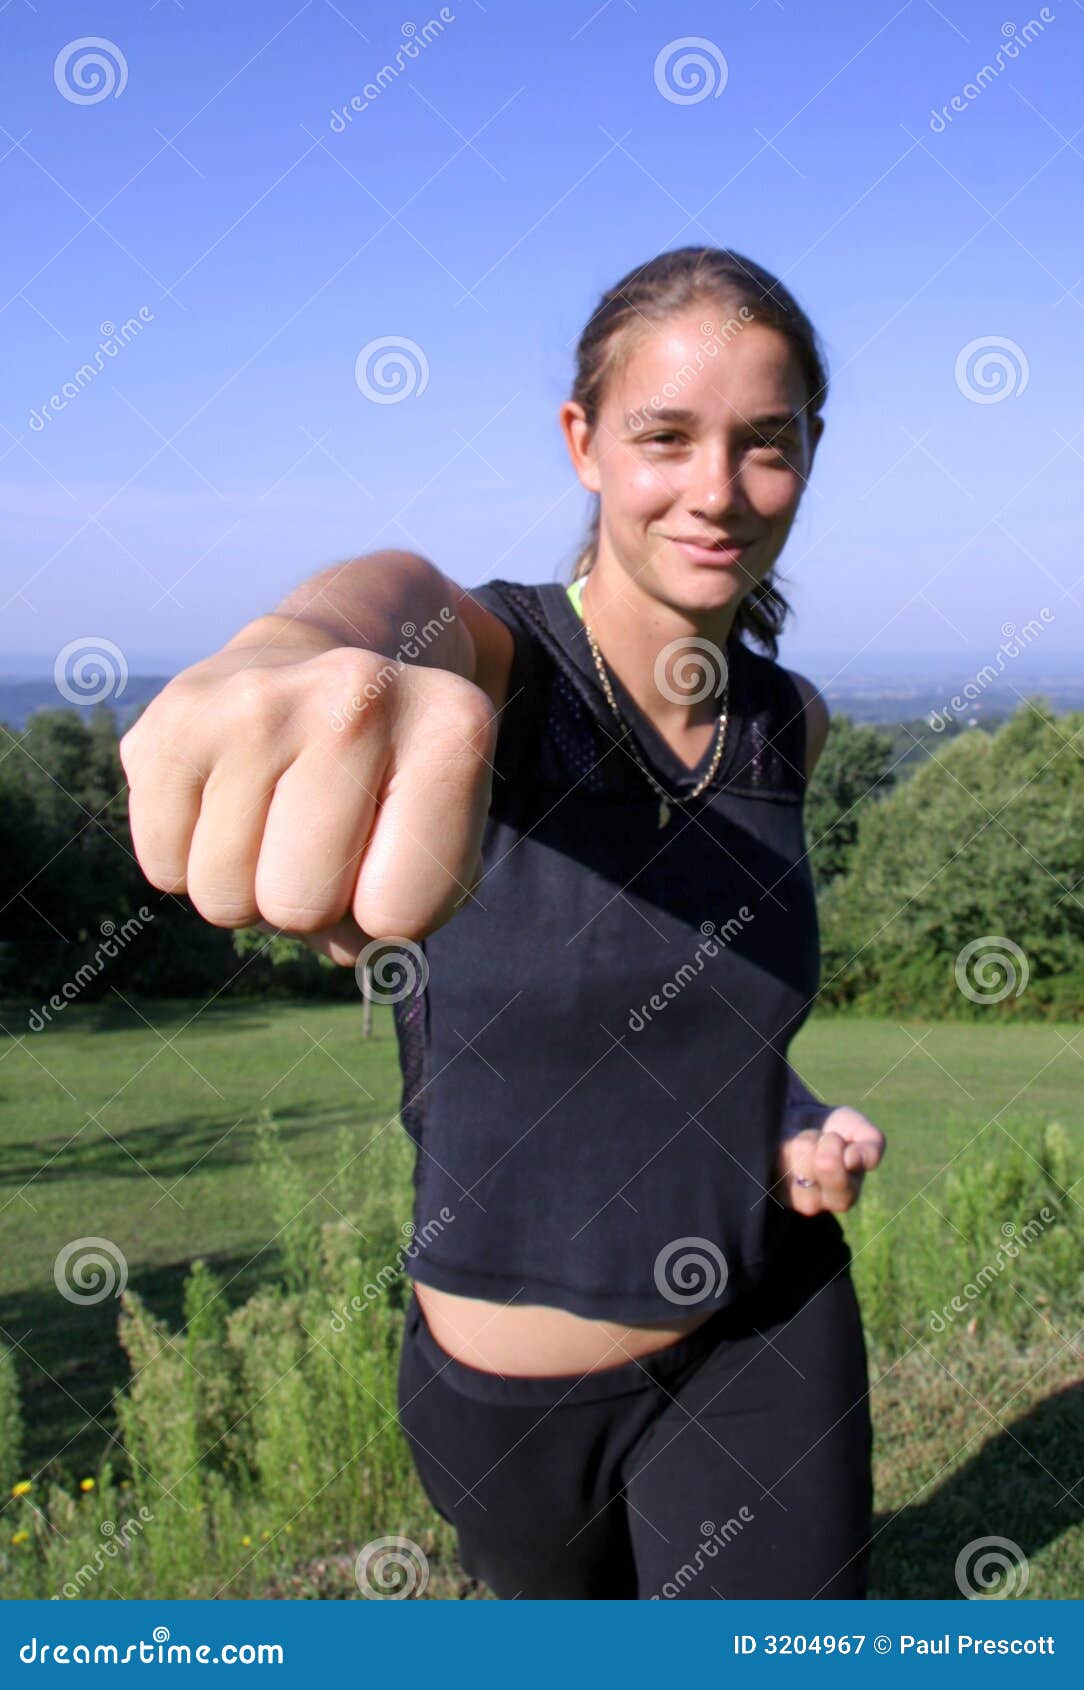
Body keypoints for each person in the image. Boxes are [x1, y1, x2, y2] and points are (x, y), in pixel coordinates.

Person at [122, 245, 886, 1600]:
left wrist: (781, 1104)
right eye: (668, 437)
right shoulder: (500, 668)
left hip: (766, 1325)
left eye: (766, 445)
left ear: (810, 452)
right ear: (584, 443)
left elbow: (714, 989)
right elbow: (394, 598)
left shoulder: (790, 722)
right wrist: (294, 649)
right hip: (511, 1406)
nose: (717, 489)